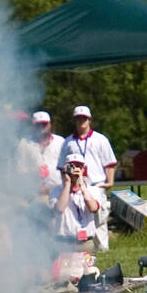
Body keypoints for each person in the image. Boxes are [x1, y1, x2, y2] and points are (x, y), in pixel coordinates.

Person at [57, 106, 116, 250]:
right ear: (74, 120)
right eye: (78, 118)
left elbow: (109, 162)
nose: (81, 121)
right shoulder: (68, 142)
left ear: (89, 120)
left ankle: (103, 248)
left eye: (84, 118)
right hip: (74, 186)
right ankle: (82, 247)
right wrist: (66, 184)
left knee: (99, 219)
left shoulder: (100, 139)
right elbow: (62, 166)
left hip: (95, 184)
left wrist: (110, 182)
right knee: (80, 217)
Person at [49, 161, 101, 253]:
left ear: (83, 169)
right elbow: (59, 209)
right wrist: (67, 184)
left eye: (79, 167)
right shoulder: (55, 191)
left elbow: (93, 208)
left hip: (86, 242)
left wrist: (82, 185)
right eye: (72, 167)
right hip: (64, 242)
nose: (75, 170)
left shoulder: (93, 190)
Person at [16, 110, 64, 196]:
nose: (42, 127)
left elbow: (66, 166)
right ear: (33, 126)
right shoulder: (25, 143)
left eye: (44, 124)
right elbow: (21, 169)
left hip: (58, 191)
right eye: (38, 125)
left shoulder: (60, 142)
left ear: (50, 124)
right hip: (34, 193)